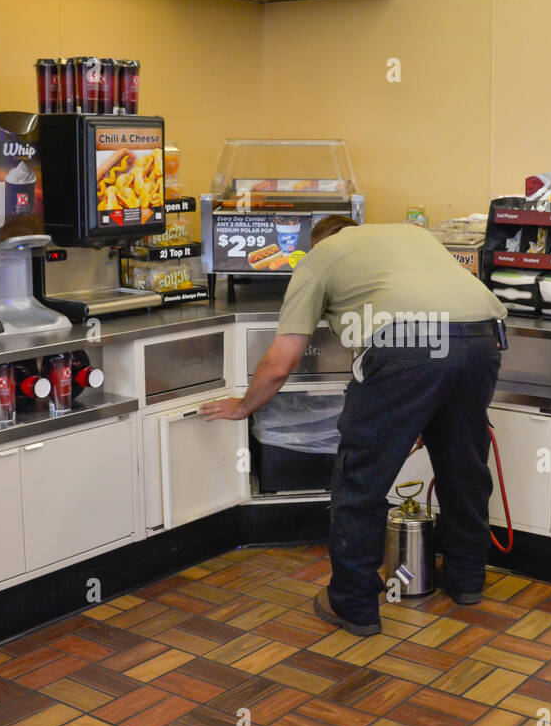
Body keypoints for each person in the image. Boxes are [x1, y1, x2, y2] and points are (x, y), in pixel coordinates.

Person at [200, 215, 506, 636]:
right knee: (464, 468)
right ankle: (467, 581)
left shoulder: (319, 256)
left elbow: (280, 362)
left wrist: (243, 406)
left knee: (361, 481)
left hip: (405, 347)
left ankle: (354, 603)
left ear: (321, 240)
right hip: (482, 341)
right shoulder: (412, 235)